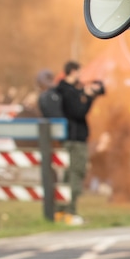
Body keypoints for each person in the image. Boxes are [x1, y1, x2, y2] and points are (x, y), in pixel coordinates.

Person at [56, 60, 105, 225]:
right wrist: (89, 98)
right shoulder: (67, 92)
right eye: (79, 72)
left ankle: (61, 211)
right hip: (74, 140)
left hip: (69, 139)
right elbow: (79, 112)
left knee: (68, 176)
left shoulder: (62, 90)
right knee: (75, 174)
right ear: (72, 72)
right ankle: (70, 211)